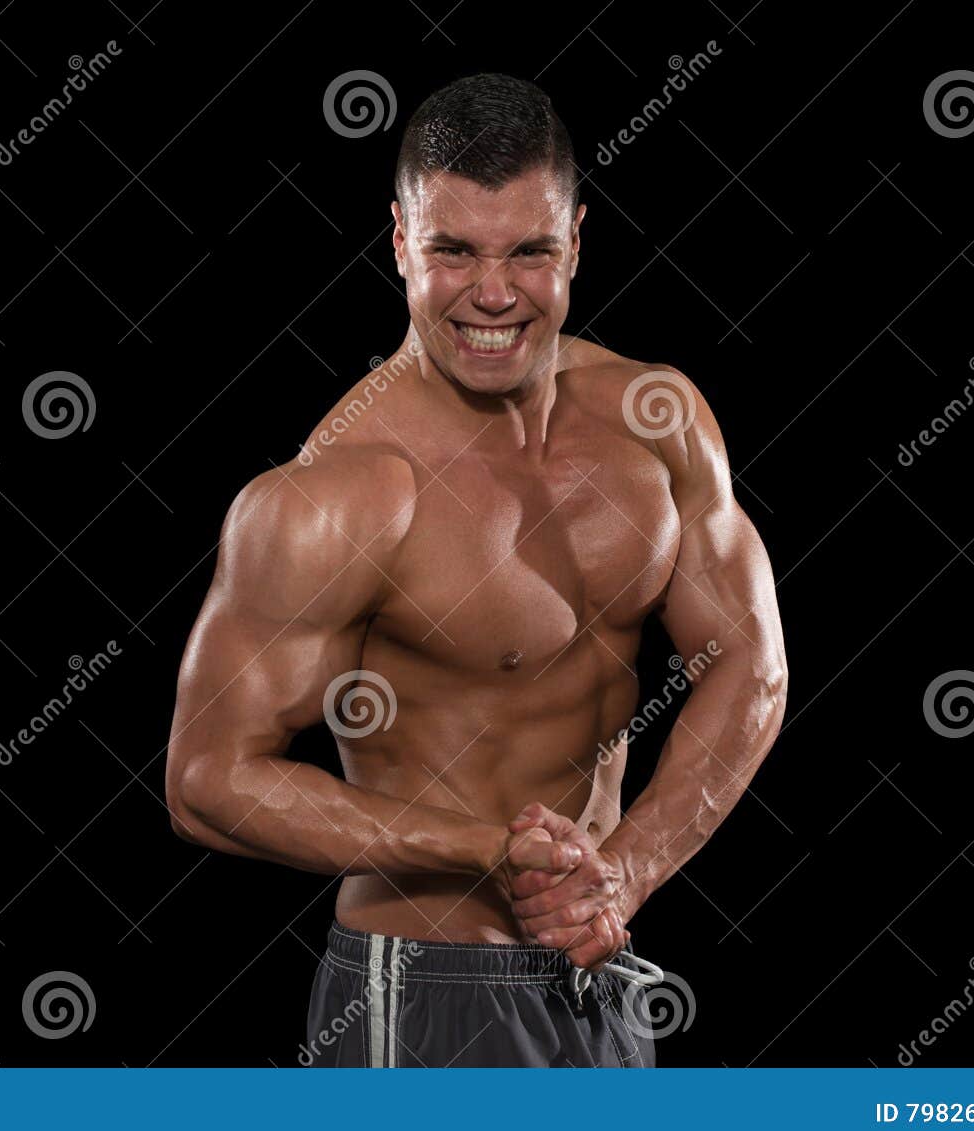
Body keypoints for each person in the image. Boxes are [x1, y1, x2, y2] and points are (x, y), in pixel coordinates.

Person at [164, 73, 787, 1066]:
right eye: (453, 249)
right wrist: (485, 848)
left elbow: (747, 665)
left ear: (574, 241)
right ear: (401, 240)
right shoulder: (338, 497)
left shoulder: (656, 422)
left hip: (603, 967)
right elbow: (206, 781)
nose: (493, 294)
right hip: (424, 985)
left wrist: (622, 876)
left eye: (529, 251)